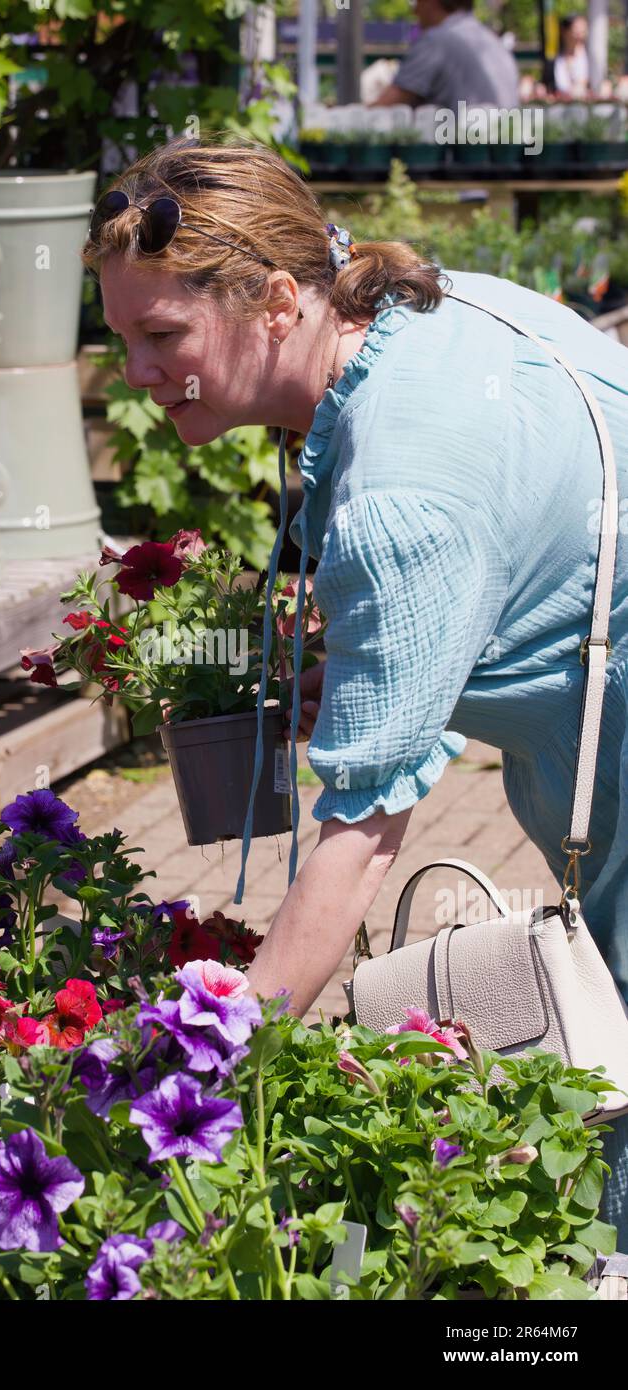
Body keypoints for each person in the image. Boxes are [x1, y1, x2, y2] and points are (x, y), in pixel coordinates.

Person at [82, 135, 628, 1243]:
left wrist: (198, 1080)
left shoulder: (398, 502)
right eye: (120, 337)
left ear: (278, 299)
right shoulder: (430, 311)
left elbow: (363, 836)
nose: (136, 373)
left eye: (163, 336)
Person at [372, 0, 519, 112]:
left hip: (462, 149)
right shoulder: (493, 42)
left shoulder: (436, 41)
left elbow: (384, 109)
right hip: (503, 148)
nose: (415, 11)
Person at [553, 14, 591, 99]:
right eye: (577, 28)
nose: (581, 33)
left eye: (584, 29)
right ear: (564, 31)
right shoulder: (554, 59)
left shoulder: (590, 57)